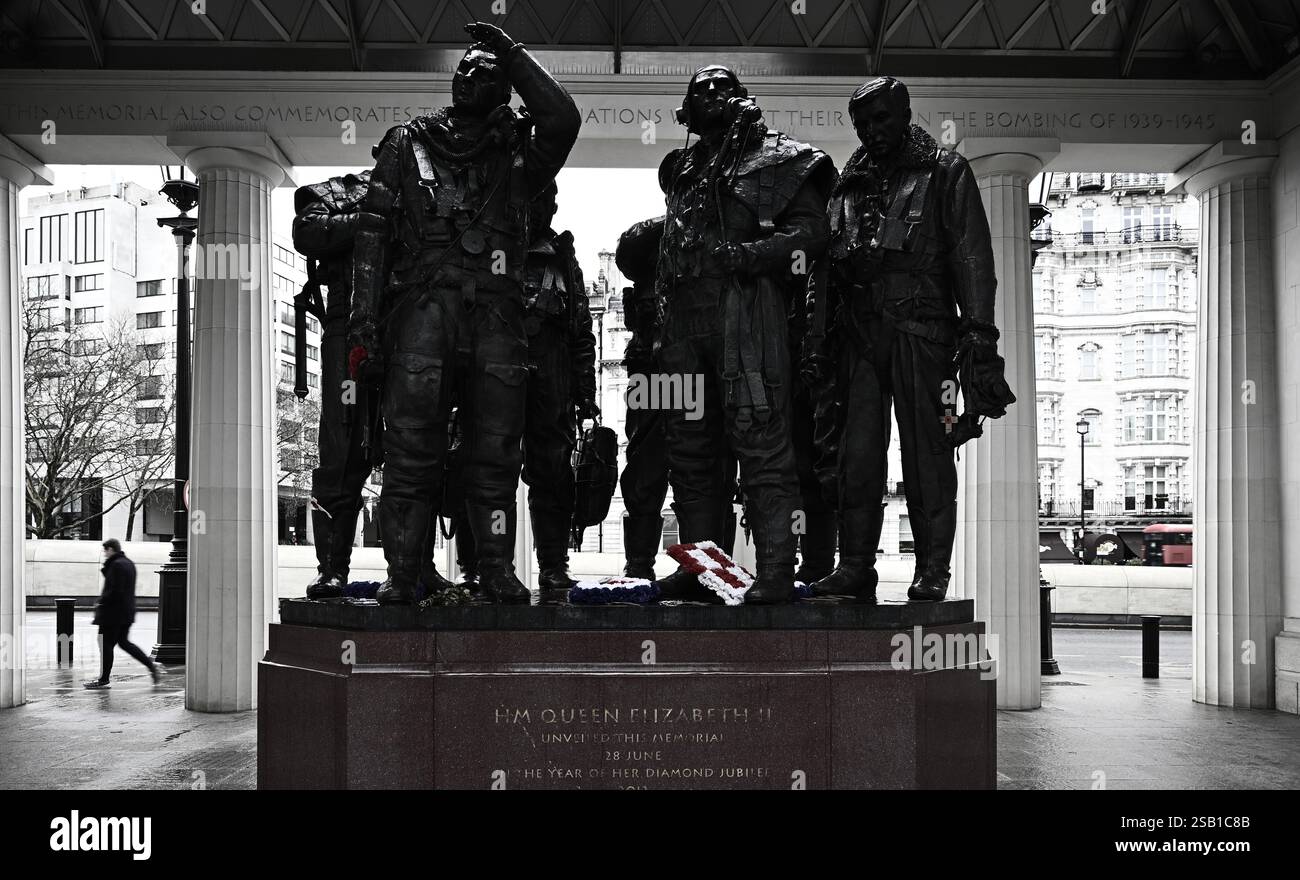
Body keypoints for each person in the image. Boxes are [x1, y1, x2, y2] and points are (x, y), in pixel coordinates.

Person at [348, 21, 581, 604]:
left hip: (498, 316)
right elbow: (372, 232)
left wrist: (514, 52)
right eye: (465, 66)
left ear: (506, 89)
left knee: (497, 451)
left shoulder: (518, 152)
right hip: (424, 307)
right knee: (410, 446)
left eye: (488, 70)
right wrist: (363, 322)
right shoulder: (408, 142)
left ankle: (496, 569)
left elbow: (564, 120)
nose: (471, 74)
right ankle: (404, 572)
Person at [804, 76, 1013, 603]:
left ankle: (932, 569)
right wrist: (818, 341)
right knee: (858, 457)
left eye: (881, 118)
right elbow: (825, 268)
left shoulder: (945, 170)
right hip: (859, 338)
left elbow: (972, 258)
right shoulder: (846, 185)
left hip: (925, 336)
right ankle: (855, 567)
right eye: (862, 123)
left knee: (930, 453)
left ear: (905, 113)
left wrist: (980, 337)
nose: (872, 131)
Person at [652, 65, 835, 604]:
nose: (711, 94)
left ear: (743, 97)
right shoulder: (682, 168)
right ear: (687, 107)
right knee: (688, 449)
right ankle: (704, 570)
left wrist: (752, 255)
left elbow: (813, 236)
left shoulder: (782, 159)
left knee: (760, 441)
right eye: (700, 89)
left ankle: (777, 569)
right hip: (684, 323)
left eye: (722, 86)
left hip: (746, 317)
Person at [451, 182, 597, 592]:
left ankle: (553, 563)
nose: (542, 208)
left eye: (548, 201)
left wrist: (585, 391)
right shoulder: (486, 246)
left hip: (551, 375)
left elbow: (580, 329)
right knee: (484, 468)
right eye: (534, 199)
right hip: (493, 371)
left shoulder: (563, 259)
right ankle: (481, 566)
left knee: (552, 472)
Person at [84, 539, 161, 689]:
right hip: (126, 611)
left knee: (106, 644)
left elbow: (114, 590)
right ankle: (151, 667)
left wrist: (101, 602)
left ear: (111, 549)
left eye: (105, 550)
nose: (105, 554)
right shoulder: (129, 563)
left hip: (112, 613)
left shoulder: (116, 565)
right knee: (124, 643)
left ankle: (104, 679)